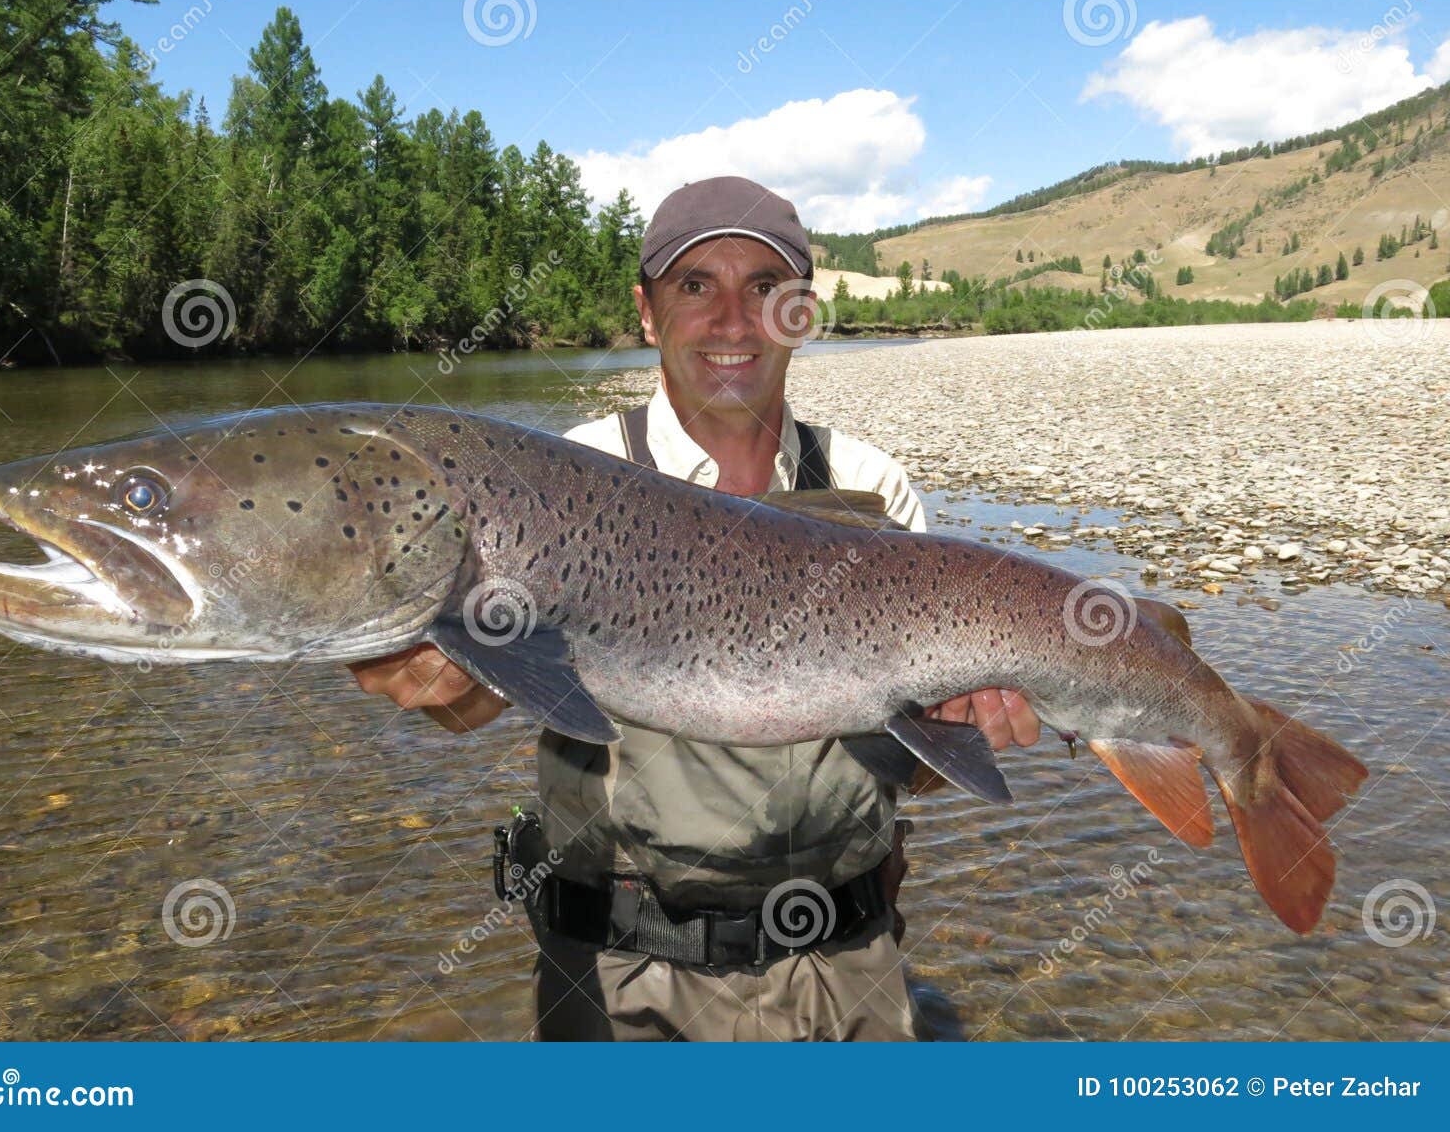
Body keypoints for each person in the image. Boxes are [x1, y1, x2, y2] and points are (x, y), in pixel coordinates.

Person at [350, 176, 1039, 1040]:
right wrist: (441, 682)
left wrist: (966, 727)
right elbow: (481, 695)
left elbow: (916, 765)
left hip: (848, 963)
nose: (731, 321)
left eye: (764, 289)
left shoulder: (874, 489)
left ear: (802, 315)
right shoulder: (565, 478)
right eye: (694, 286)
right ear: (646, 312)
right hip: (625, 974)